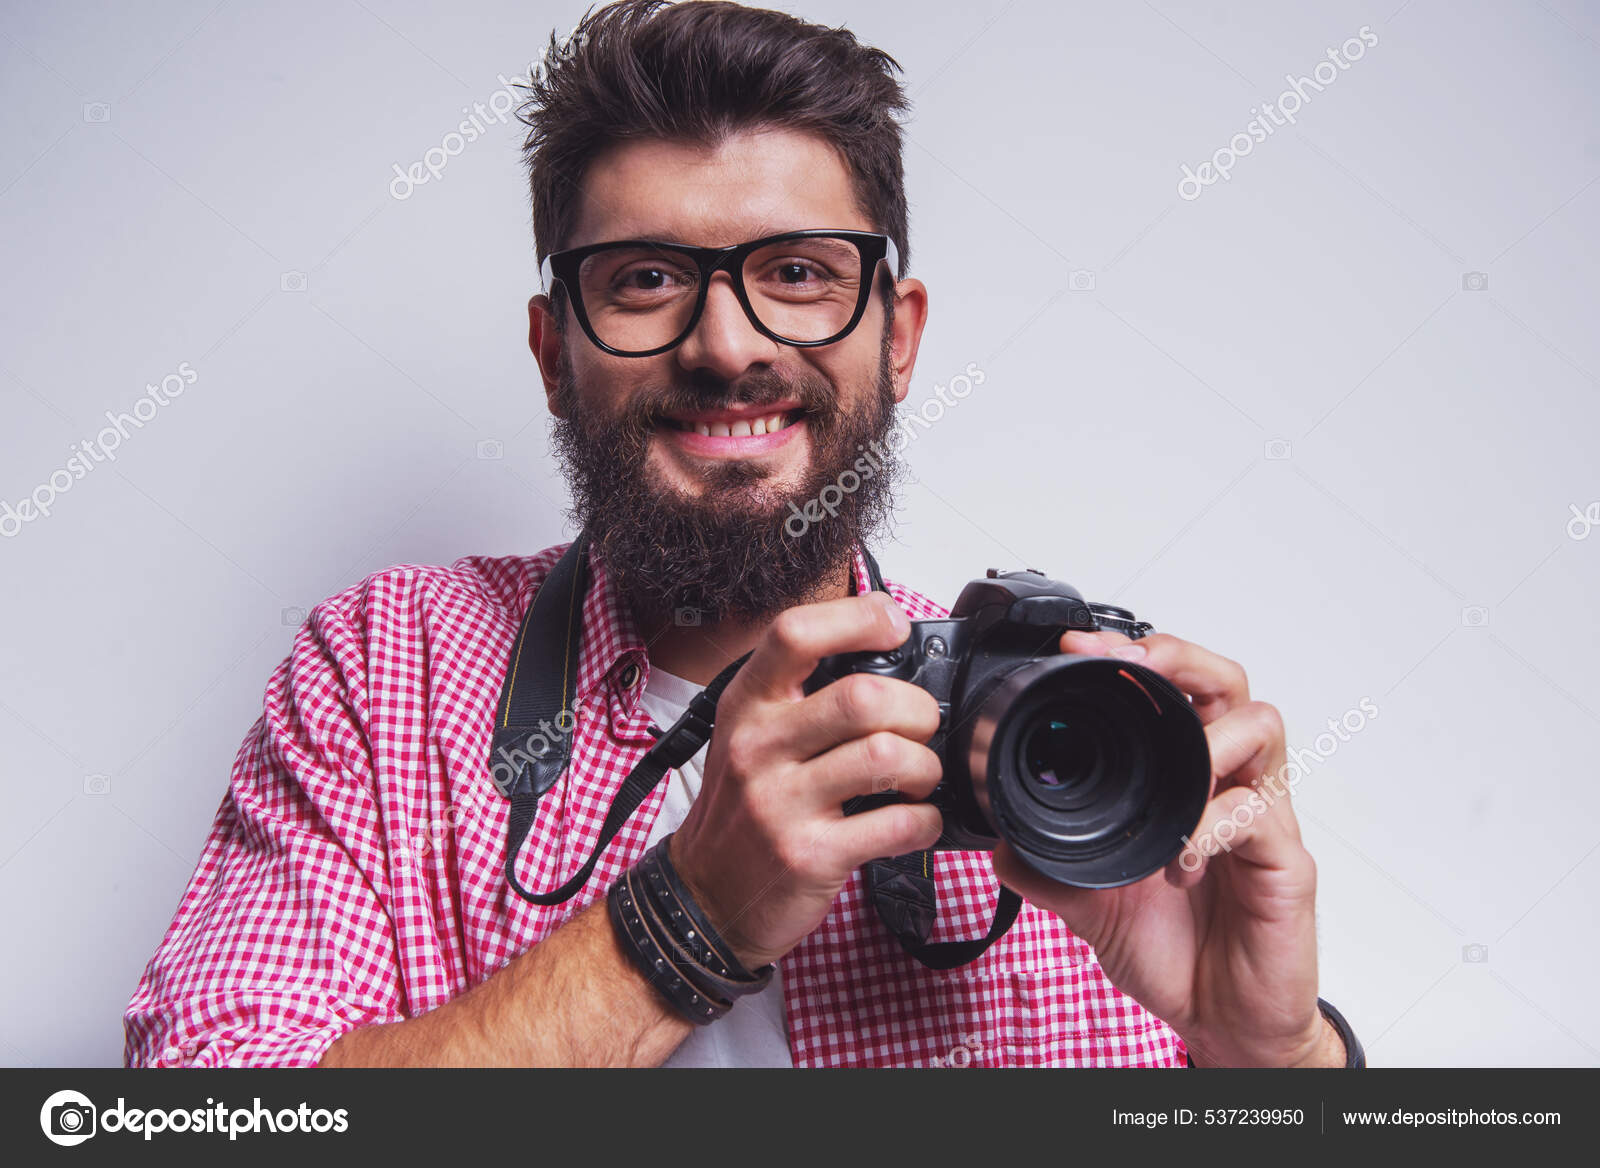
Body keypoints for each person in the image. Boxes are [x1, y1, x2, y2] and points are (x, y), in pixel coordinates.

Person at [125, 0, 1350, 1068]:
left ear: (900, 336)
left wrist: (1276, 1059)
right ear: (557, 355)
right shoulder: (384, 669)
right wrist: (691, 913)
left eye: (802, 274)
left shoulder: (1077, 743)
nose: (727, 345)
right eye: (646, 280)